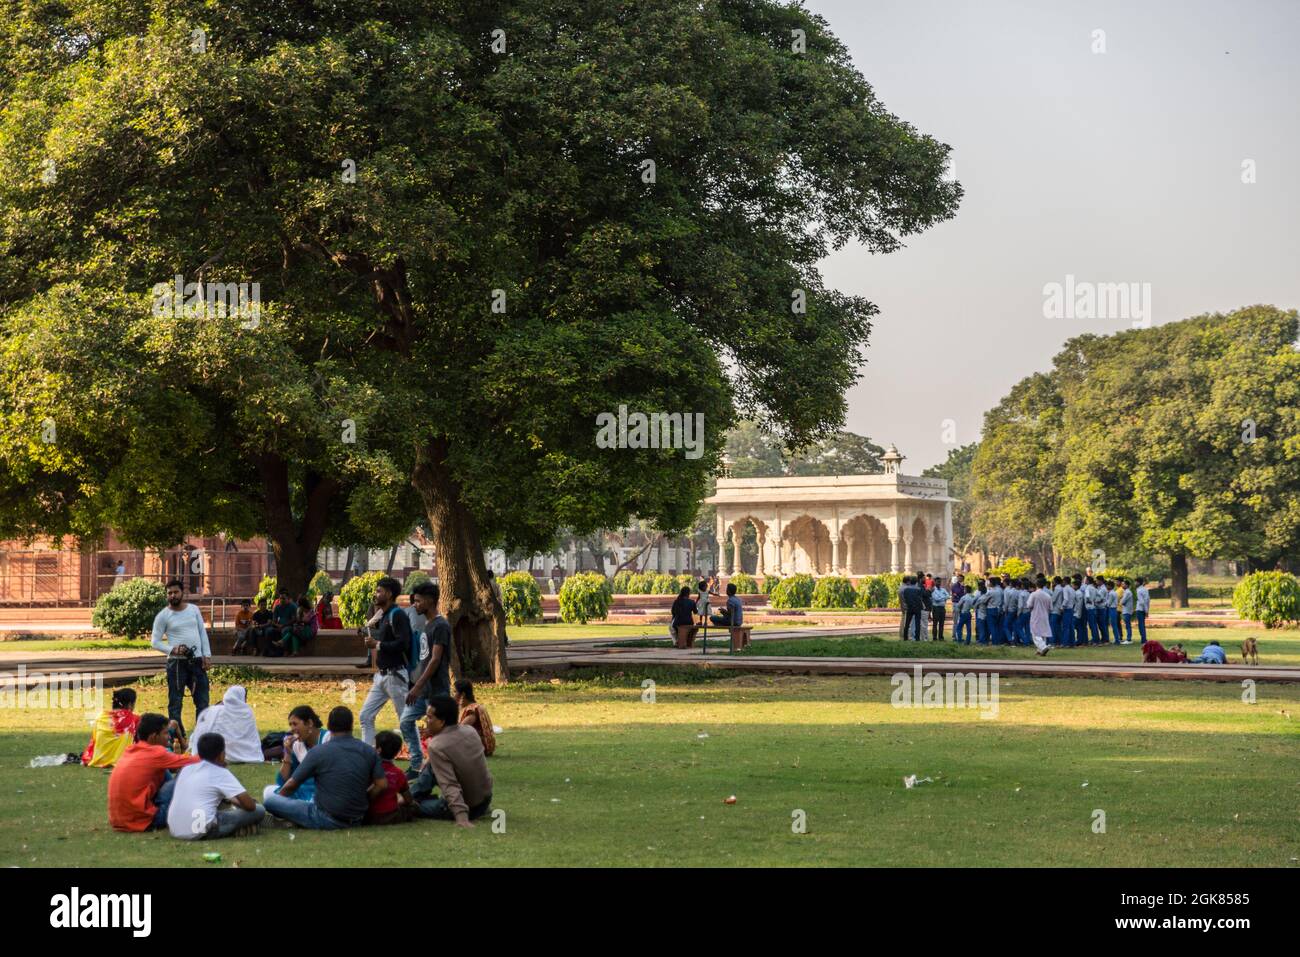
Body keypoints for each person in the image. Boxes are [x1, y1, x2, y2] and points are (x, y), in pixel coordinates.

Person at [265, 707, 387, 829]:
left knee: (270, 800)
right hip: (358, 818)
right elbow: (381, 785)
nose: (292, 729)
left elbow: (291, 785)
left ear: (329, 726)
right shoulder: (368, 751)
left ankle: (293, 818)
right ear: (351, 725)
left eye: (295, 724)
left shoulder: (319, 751)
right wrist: (363, 800)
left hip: (326, 817)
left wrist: (280, 802)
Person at [107, 713, 200, 832]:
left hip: (119, 820)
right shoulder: (157, 754)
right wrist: (214, 752)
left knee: (165, 771)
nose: (169, 737)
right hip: (147, 820)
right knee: (185, 775)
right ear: (153, 737)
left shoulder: (131, 750)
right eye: (166, 733)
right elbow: (193, 761)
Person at [412, 695, 493, 827]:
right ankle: (411, 795)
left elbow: (449, 784)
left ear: (442, 721)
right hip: (484, 800)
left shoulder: (438, 745)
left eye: (430, 717)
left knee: (414, 806)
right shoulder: (469, 731)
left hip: (469, 808)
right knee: (430, 766)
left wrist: (462, 817)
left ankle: (408, 799)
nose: (426, 720)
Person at [167, 732, 265, 839]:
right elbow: (250, 806)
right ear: (221, 755)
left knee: (217, 805)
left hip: (175, 828)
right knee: (259, 810)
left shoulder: (186, 769)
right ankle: (238, 828)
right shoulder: (221, 772)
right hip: (200, 830)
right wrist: (238, 803)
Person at [151, 579, 211, 736]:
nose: (173, 596)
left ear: (182, 592)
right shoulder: (163, 616)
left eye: (175, 592)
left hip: (197, 661)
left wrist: (207, 655)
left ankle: (201, 736)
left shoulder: (193, 610)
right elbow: (155, 642)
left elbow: (202, 632)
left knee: (202, 701)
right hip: (176, 664)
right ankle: (179, 737)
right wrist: (173, 649)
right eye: (169, 593)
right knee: (175, 703)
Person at [403, 582, 451, 776]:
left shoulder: (440, 625)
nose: (415, 605)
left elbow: (435, 660)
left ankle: (440, 767)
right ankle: (416, 763)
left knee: (440, 732)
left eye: (418, 601)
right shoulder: (427, 624)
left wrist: (417, 686)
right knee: (406, 721)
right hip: (422, 689)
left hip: (437, 690)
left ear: (430, 601)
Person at [360, 576, 413, 748]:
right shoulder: (383, 615)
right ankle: (367, 755)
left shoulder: (397, 615)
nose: (375, 594)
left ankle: (416, 758)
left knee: (405, 719)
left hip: (395, 676)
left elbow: (404, 643)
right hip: (381, 676)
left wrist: (378, 644)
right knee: (365, 716)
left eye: (379, 591)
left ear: (389, 594)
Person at [264, 705, 329, 803]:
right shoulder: (297, 745)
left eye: (295, 724)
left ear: (310, 723)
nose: (292, 729)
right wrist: (287, 753)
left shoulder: (328, 739)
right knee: (268, 792)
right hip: (302, 791)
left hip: (324, 791)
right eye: (290, 725)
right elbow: (283, 781)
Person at [189, 685, 264, 763]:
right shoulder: (246, 712)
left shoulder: (214, 710)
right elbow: (251, 739)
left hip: (212, 753)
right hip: (244, 754)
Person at [82, 688, 141, 769]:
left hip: (98, 760)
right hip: (122, 760)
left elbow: (93, 743)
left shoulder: (101, 717)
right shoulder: (134, 719)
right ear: (130, 704)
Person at [367, 731, 416, 825]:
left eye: (374, 745)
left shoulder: (368, 768)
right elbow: (408, 799)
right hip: (390, 815)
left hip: (368, 815)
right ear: (397, 752)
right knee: (414, 807)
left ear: (378, 750)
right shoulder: (398, 773)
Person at [455, 679, 496, 757]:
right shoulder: (475, 706)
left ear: (462, 694)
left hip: (481, 748)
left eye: (455, 692)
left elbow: (459, 730)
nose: (453, 695)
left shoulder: (472, 710)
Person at [1026, 580, 1053, 655]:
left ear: (1036, 585)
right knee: (1043, 633)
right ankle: (1040, 650)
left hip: (1036, 615)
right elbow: (1051, 608)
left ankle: (1043, 647)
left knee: (1035, 634)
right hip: (1045, 616)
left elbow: (1029, 605)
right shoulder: (1048, 595)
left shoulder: (1034, 594)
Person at [986, 576, 1004, 645]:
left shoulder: (991, 591)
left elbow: (984, 600)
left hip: (991, 609)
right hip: (999, 609)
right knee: (997, 626)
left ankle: (995, 641)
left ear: (991, 583)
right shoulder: (1001, 590)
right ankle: (998, 641)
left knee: (992, 626)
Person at [1059, 575, 1076, 648]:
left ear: (1064, 581)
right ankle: (1072, 643)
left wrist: (1062, 606)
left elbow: (1065, 599)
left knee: (1065, 627)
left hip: (1067, 609)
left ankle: (1064, 643)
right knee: (1071, 626)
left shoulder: (1065, 589)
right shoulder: (1072, 589)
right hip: (1071, 608)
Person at [1134, 577, 1150, 644]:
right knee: (1142, 625)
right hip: (1144, 609)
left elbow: (1142, 602)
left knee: (1141, 625)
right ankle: (1144, 639)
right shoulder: (1145, 589)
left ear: (1138, 582)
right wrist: (1146, 610)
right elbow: (1147, 600)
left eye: (1136, 582)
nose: (1135, 583)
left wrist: (1145, 610)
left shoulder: (1139, 590)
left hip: (1140, 609)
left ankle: (1143, 639)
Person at [973, 579, 990, 644]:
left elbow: (975, 605)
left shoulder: (980, 597)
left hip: (980, 614)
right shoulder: (988, 596)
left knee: (981, 628)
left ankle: (981, 640)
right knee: (985, 627)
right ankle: (986, 640)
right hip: (986, 613)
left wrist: (975, 607)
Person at [1119, 578, 1135, 644]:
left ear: (1127, 585)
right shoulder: (1126, 592)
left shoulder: (1127, 592)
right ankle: (1128, 639)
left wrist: (1121, 600)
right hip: (1126, 610)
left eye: (1123, 584)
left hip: (1127, 610)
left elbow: (1122, 601)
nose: (1122, 585)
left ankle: (1129, 639)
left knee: (1127, 625)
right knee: (1127, 625)